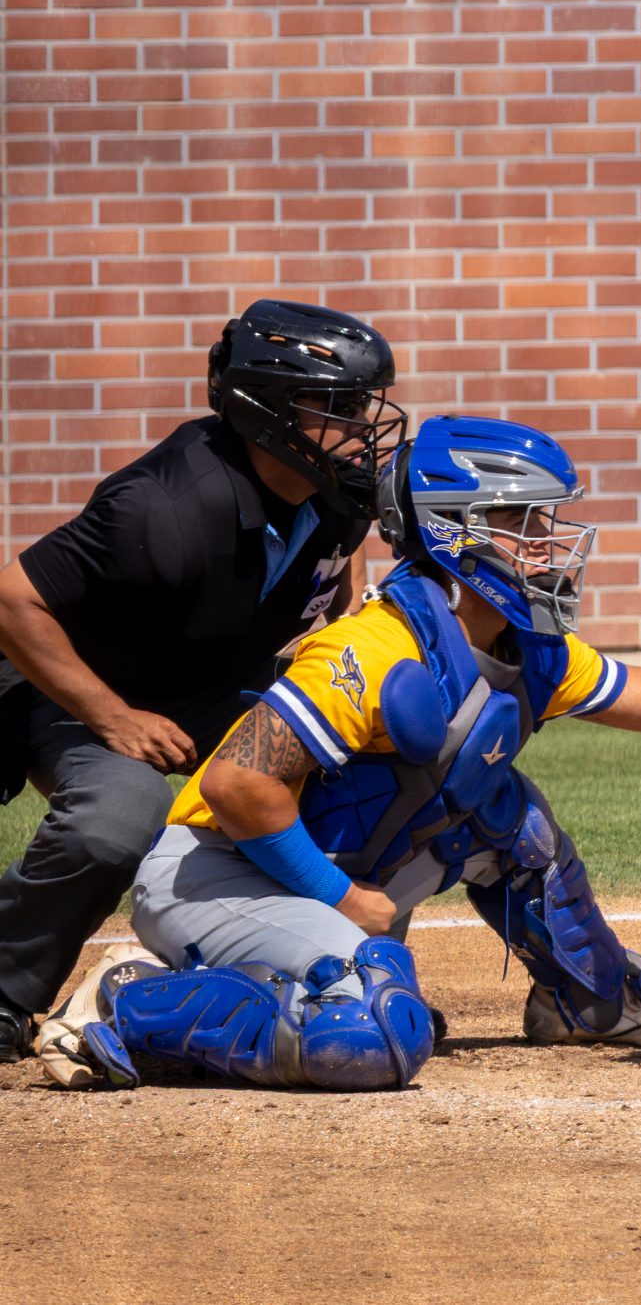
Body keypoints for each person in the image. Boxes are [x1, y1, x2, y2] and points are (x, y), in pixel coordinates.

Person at [36, 416, 641, 1092]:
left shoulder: (527, 646)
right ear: (454, 529)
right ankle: (127, 999)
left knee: (504, 812)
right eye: (521, 521)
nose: (546, 544)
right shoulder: (374, 649)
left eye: (544, 520)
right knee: (373, 1034)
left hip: (326, 881)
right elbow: (239, 785)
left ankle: (588, 998)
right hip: (216, 875)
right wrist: (343, 899)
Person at [0, 301, 400, 1058]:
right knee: (117, 821)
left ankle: (324, 973)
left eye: (364, 405)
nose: (363, 428)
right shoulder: (162, 510)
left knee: (365, 760)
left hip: (213, 680)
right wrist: (113, 717)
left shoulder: (336, 491)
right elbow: (12, 601)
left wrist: (335, 640)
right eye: (342, 408)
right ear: (270, 410)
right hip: (82, 684)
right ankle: (5, 989)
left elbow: (340, 565)